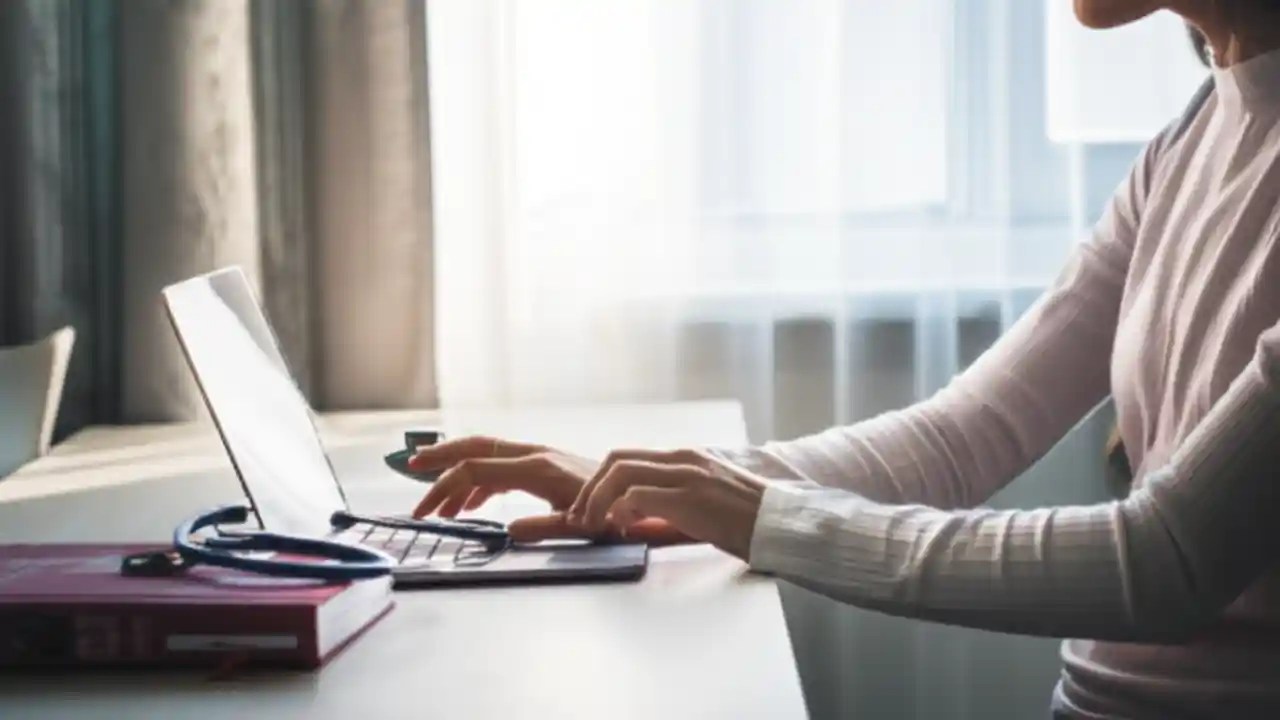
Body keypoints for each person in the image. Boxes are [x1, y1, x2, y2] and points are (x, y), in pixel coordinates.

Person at [410, 2, 1280, 717]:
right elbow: (964, 435)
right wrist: (662, 482)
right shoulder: (1196, 133)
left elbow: (1166, 564)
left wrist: (765, 517)